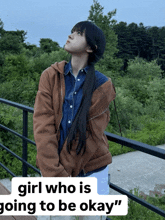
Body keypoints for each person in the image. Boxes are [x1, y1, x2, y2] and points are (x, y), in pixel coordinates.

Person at [33, 21, 116, 220]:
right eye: (72, 31)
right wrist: (55, 175)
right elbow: (43, 127)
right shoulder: (50, 76)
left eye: (78, 33)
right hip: (56, 171)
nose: (70, 35)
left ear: (90, 47)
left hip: (92, 169)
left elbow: (91, 135)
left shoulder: (102, 85)